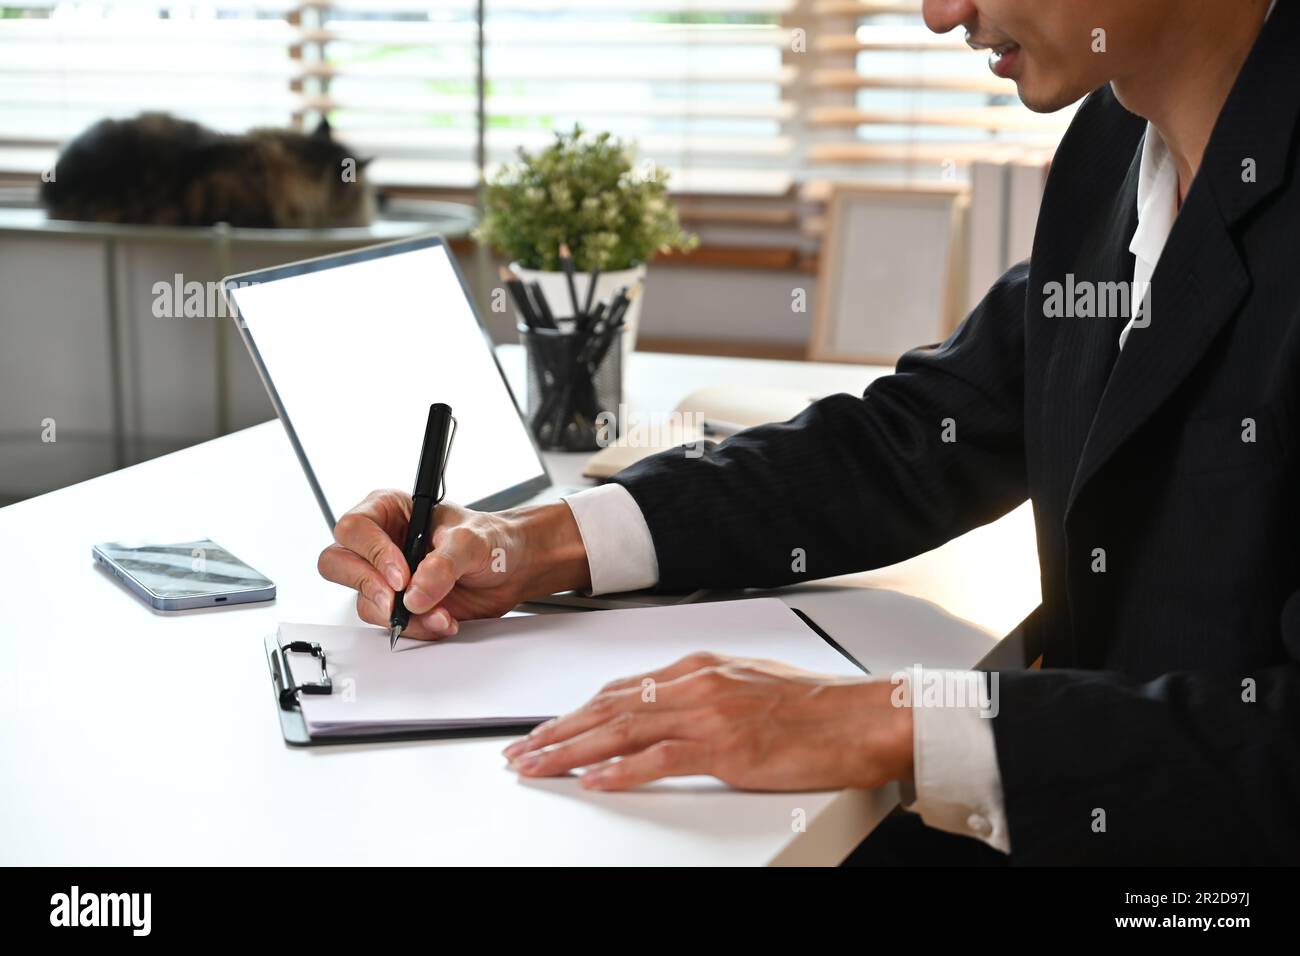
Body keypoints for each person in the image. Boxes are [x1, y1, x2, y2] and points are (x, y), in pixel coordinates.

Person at [318, 0, 1300, 864]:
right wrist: (538, 542)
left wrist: (892, 718)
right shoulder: (1113, 148)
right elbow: (914, 435)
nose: (938, 13)